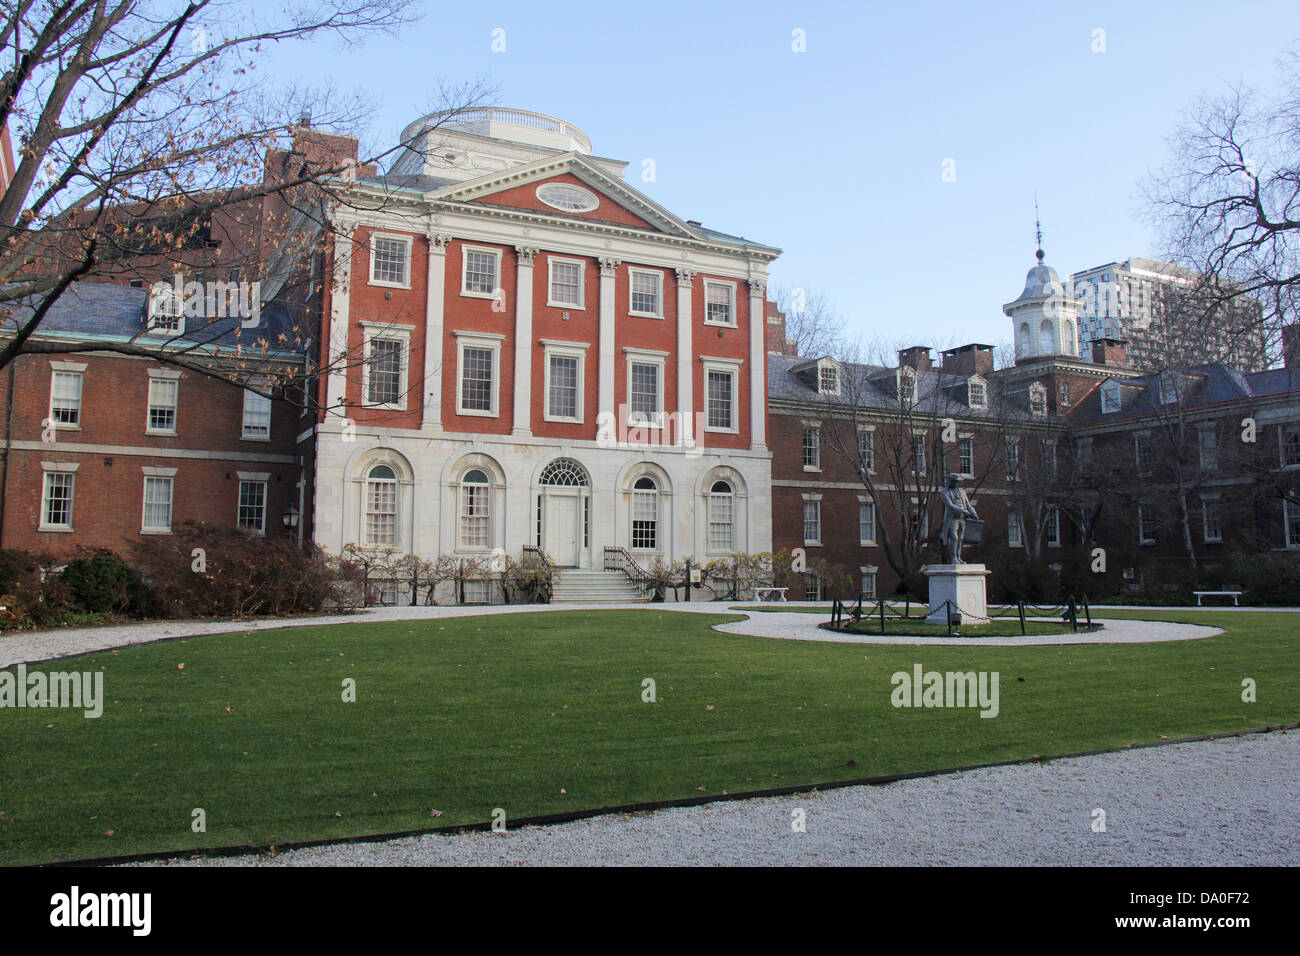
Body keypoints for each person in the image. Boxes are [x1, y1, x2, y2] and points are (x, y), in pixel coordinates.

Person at [940, 473, 979, 564]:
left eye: (957, 482)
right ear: (950, 481)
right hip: (952, 517)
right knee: (954, 537)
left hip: (961, 518)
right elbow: (950, 505)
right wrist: (963, 511)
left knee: (961, 538)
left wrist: (973, 513)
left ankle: (958, 557)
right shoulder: (945, 492)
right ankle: (953, 557)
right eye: (954, 481)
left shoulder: (962, 491)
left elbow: (968, 504)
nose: (956, 483)